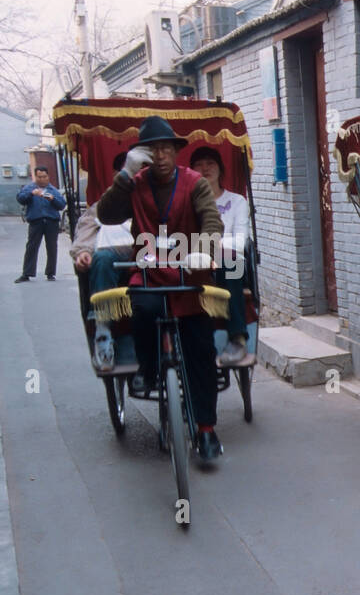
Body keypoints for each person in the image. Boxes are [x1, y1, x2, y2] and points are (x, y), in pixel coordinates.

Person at [95, 116, 227, 464]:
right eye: (154, 150)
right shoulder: (134, 183)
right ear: (145, 155)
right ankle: (149, 370)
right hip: (150, 272)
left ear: (175, 152)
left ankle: (207, 431)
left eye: (167, 149)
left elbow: (212, 219)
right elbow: (106, 215)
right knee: (144, 308)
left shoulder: (194, 182)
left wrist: (207, 246)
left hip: (189, 272)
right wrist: (124, 176)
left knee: (201, 351)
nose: (161, 156)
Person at [71, 152, 135, 370]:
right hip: (111, 260)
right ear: (117, 175)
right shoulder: (101, 206)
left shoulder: (155, 200)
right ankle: (103, 330)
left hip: (147, 256)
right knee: (101, 258)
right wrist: (82, 253)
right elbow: (86, 233)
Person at [189, 146, 252, 365]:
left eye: (210, 163)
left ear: (221, 168)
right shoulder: (187, 202)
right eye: (199, 164)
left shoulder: (237, 202)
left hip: (228, 262)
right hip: (195, 262)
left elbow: (240, 241)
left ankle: (237, 338)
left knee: (231, 262)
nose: (205, 168)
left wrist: (207, 246)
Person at [15, 166, 67, 282]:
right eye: (39, 177)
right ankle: (27, 273)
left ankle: (50, 273)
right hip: (36, 221)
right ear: (35, 177)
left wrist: (52, 199)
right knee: (31, 247)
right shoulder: (29, 188)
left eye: (44, 177)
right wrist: (31, 194)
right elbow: (20, 199)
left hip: (51, 222)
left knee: (52, 247)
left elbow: (62, 205)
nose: (42, 179)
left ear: (48, 177)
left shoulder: (53, 190)